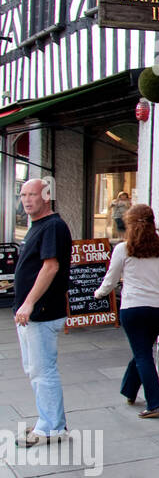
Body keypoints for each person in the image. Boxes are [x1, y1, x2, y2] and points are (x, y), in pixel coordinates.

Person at [95, 204, 159, 419]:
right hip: (158, 308)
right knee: (142, 351)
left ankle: (155, 403)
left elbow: (111, 279)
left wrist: (99, 294)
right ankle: (129, 390)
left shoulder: (123, 249)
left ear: (129, 224)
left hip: (133, 307)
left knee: (142, 354)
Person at [13, 177, 73, 447]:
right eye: (23, 194)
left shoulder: (53, 226)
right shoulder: (38, 225)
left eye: (32, 194)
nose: (26, 200)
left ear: (45, 196)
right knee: (34, 368)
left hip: (42, 312)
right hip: (31, 313)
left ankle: (50, 427)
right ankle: (50, 420)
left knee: (42, 370)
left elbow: (51, 267)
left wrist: (29, 303)